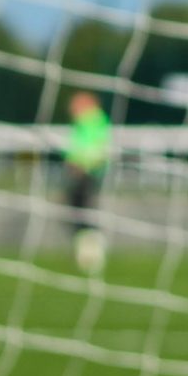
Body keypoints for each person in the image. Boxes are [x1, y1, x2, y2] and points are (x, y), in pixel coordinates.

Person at [63, 90, 112, 275]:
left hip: (88, 172)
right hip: (81, 171)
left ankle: (92, 250)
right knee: (78, 211)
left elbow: (95, 147)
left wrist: (82, 165)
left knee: (84, 210)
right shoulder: (84, 122)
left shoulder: (93, 120)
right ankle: (85, 249)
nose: (71, 108)